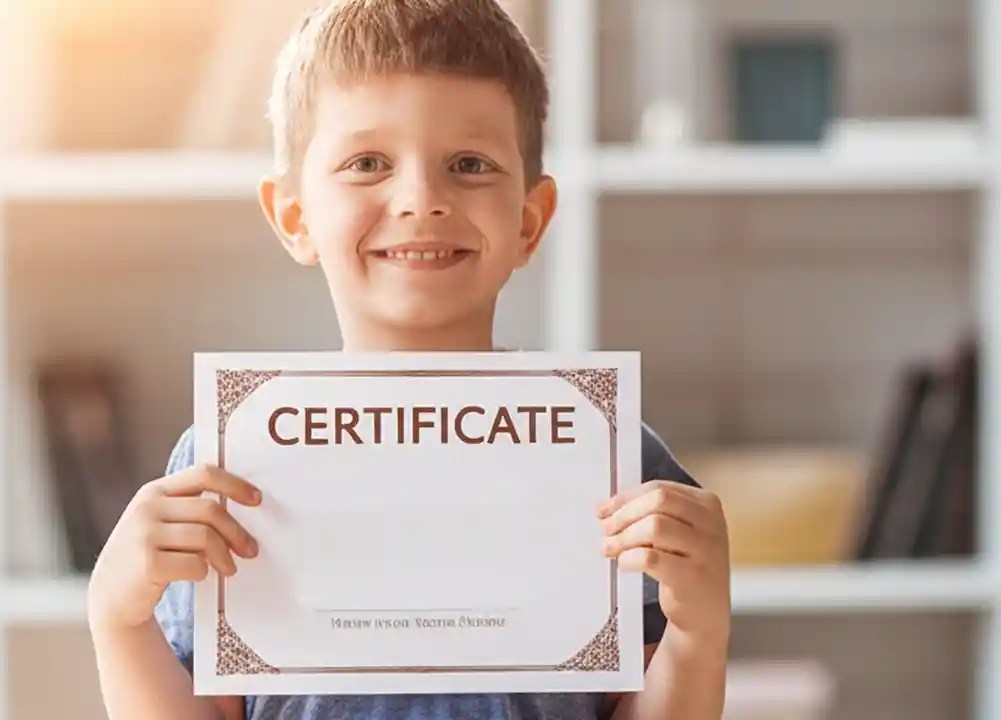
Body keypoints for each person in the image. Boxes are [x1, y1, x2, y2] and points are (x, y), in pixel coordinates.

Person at [86, 1, 731, 718]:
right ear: (295, 217)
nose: (422, 199)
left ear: (529, 221)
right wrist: (119, 622)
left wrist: (698, 635)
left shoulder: (607, 458)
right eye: (367, 163)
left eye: (469, 165)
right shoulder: (227, 461)